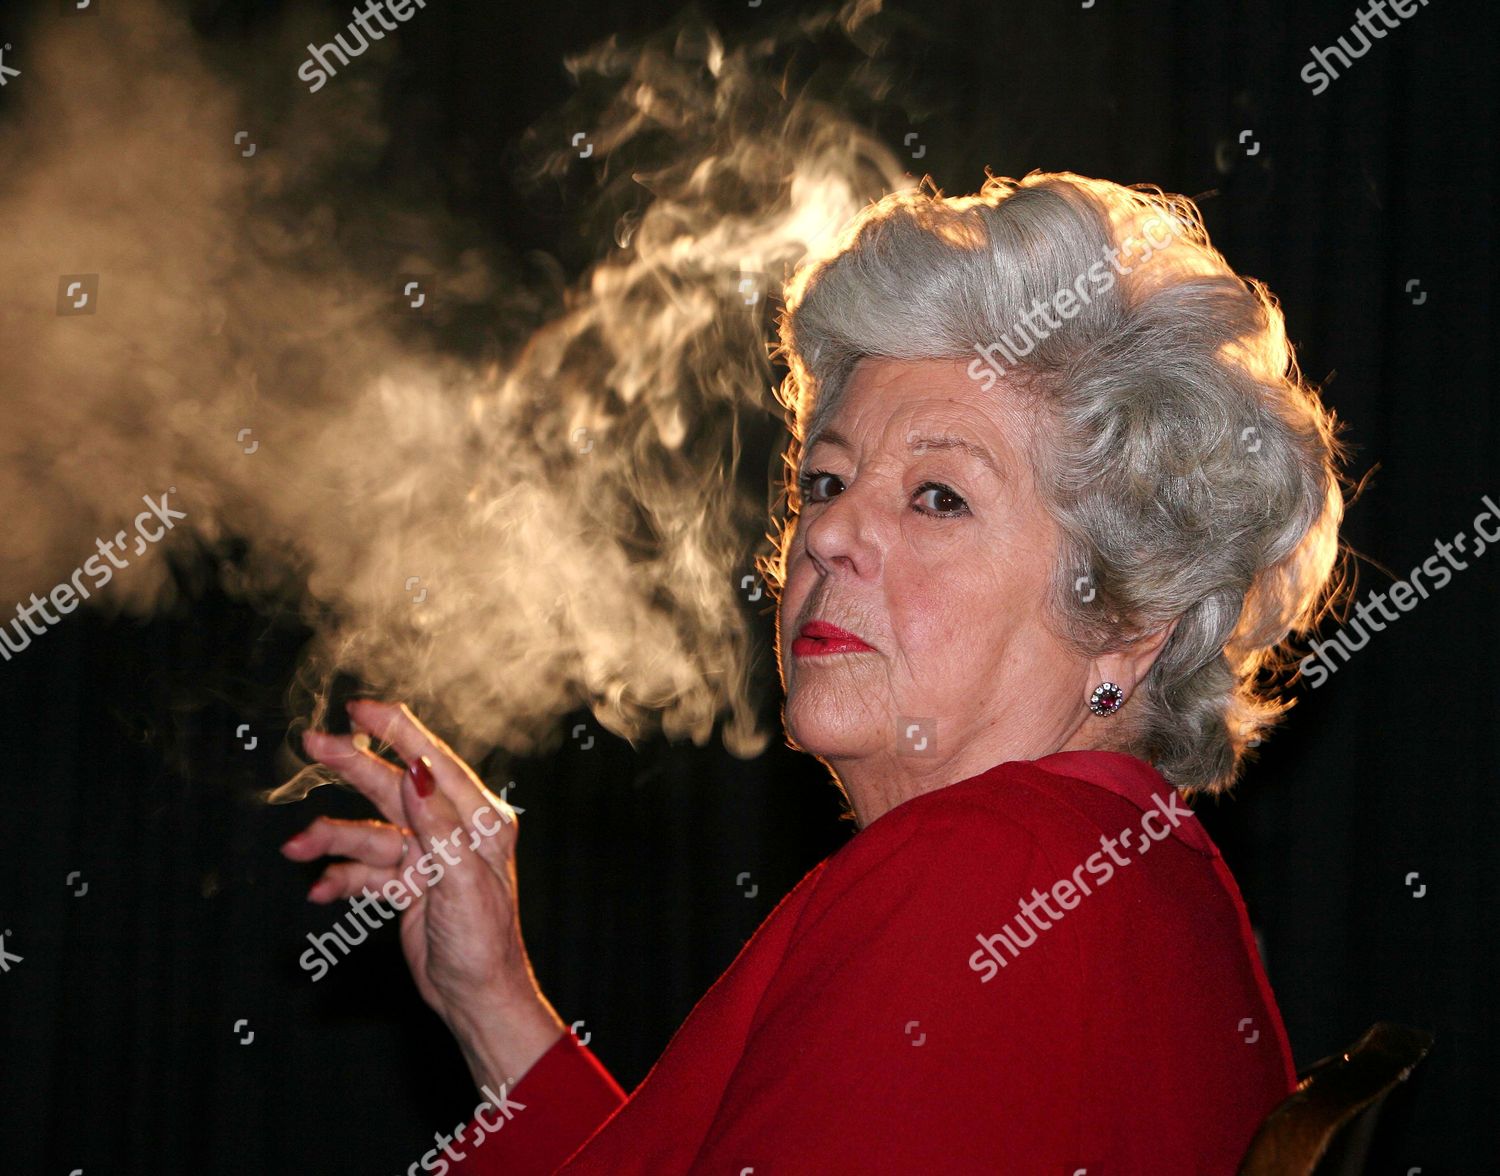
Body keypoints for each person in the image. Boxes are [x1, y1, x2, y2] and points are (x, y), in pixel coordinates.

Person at [282, 170, 1345, 1173]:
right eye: (826, 480)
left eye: (939, 496)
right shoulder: (1116, 864)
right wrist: (488, 996)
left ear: (1125, 618)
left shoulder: (985, 866)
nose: (830, 533)